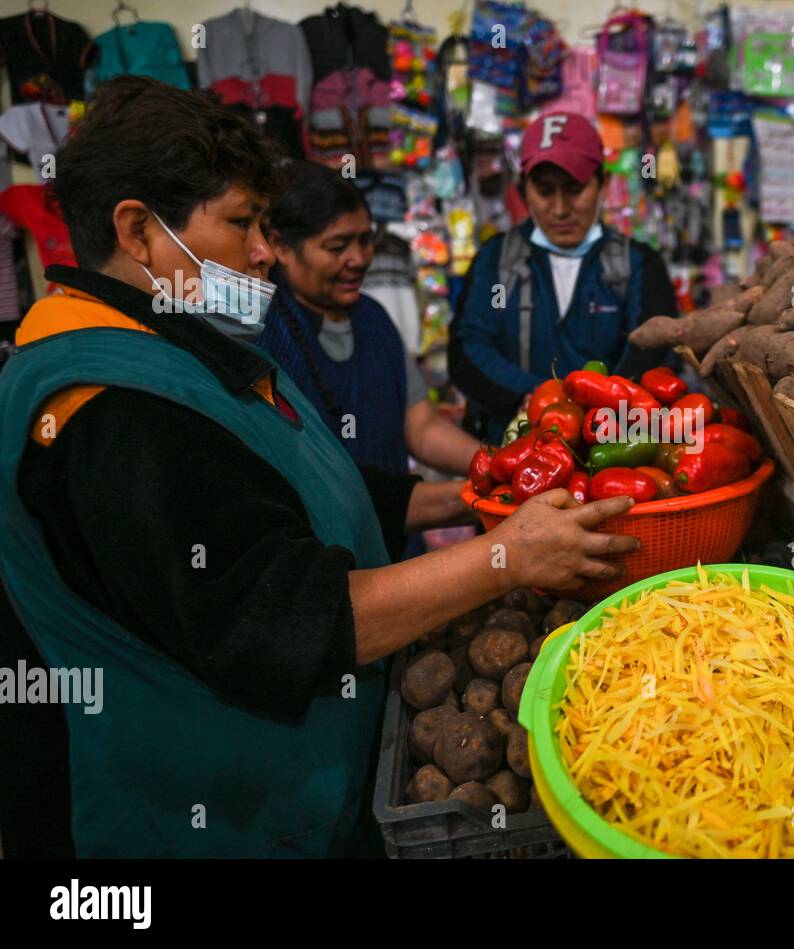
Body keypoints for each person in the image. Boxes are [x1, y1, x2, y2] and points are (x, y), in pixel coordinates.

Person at [0, 77, 636, 859]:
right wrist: (506, 556)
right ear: (138, 232)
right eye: (241, 224)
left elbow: (297, 487)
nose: (264, 251)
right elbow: (286, 619)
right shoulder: (108, 408)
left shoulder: (175, 346)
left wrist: (472, 498)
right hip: (201, 829)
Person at [254, 161, 479, 555]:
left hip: (399, 546)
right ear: (281, 247)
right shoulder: (263, 334)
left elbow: (421, 426)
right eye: (338, 247)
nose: (359, 259)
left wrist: (496, 463)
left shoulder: (374, 319)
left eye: (365, 240)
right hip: (328, 557)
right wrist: (469, 498)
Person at [449, 111, 678, 442]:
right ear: (522, 190)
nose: (560, 209)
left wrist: (597, 411)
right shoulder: (495, 261)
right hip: (519, 455)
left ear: (604, 183)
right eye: (544, 191)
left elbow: (655, 350)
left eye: (575, 189)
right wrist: (533, 399)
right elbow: (468, 348)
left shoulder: (637, 264)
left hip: (612, 451)